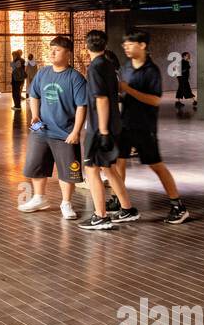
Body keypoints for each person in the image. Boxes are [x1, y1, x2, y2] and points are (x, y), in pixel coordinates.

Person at [112, 30, 188, 224]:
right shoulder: (127, 67)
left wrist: (128, 89)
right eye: (124, 45)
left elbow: (154, 100)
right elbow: (124, 94)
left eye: (130, 44)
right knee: (119, 161)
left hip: (144, 126)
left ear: (142, 45)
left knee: (156, 165)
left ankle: (178, 206)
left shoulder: (151, 70)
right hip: (125, 123)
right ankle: (119, 201)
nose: (126, 47)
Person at [18, 36, 86, 220]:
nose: (52, 52)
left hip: (65, 133)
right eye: (51, 49)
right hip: (41, 131)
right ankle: (39, 198)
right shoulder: (42, 73)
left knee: (67, 171)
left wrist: (76, 131)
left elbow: (82, 106)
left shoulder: (75, 78)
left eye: (57, 49)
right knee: (36, 165)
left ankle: (66, 203)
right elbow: (34, 95)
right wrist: (34, 115)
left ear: (68, 53)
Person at [78, 30, 136, 231]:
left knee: (92, 170)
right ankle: (127, 208)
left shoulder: (95, 67)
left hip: (100, 128)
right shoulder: (109, 64)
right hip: (113, 125)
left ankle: (100, 216)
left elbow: (101, 99)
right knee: (109, 169)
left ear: (86, 46)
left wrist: (102, 130)